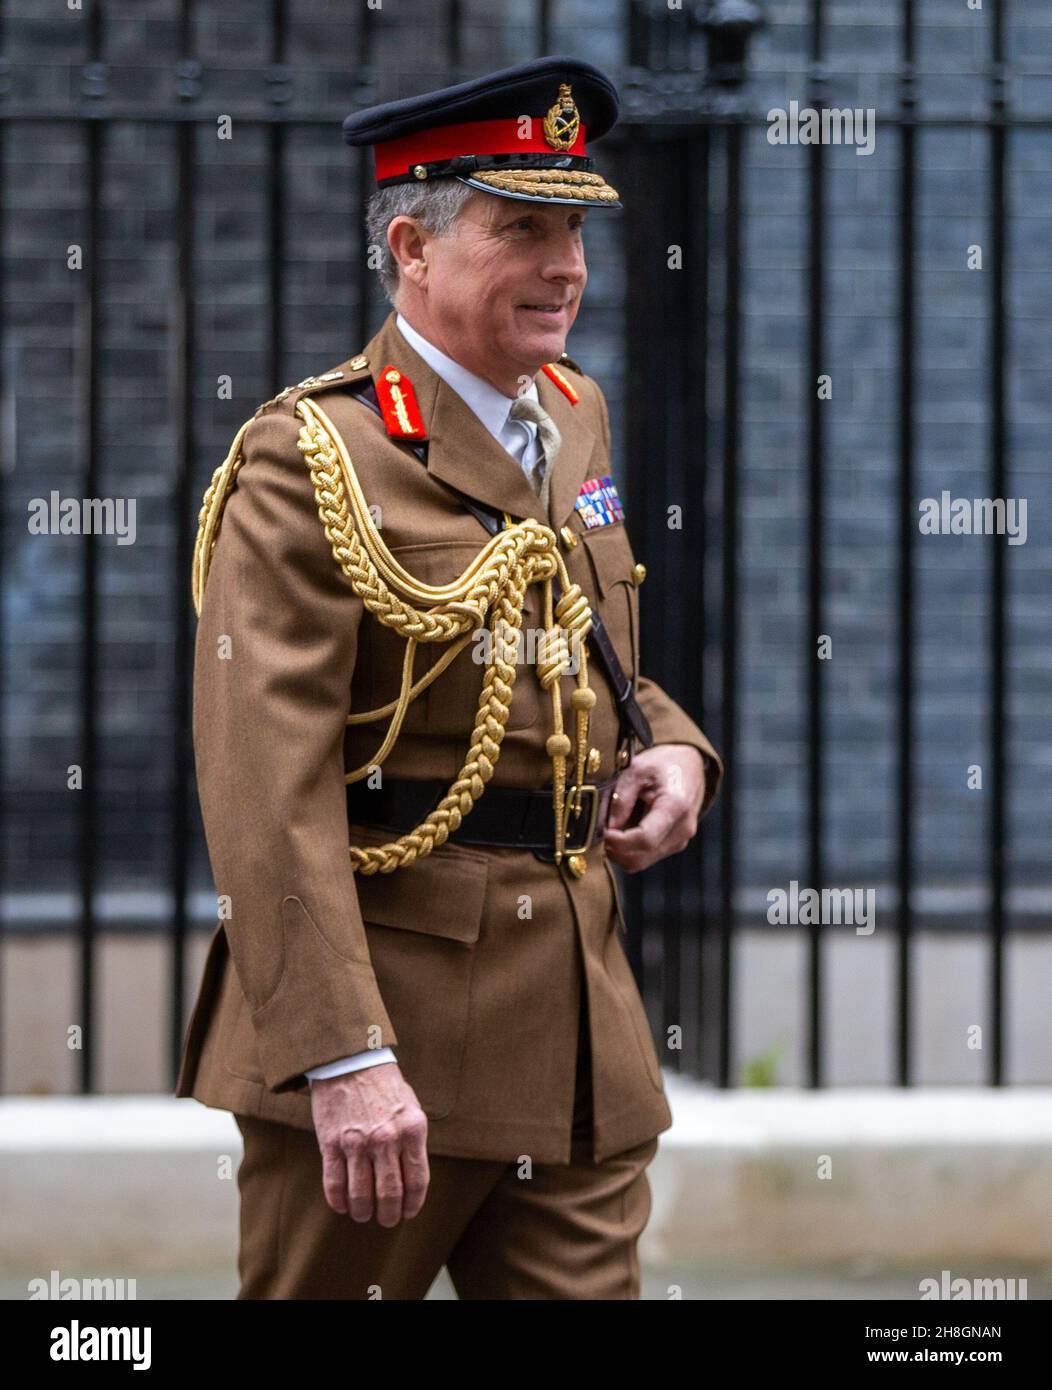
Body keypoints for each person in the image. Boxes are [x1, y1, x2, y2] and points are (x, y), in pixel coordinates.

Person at [176, 54, 724, 1300]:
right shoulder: (311, 455)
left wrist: (671, 743)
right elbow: (266, 784)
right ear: (413, 246)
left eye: (574, 228)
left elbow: (575, 634)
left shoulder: (571, 409)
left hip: (574, 1017)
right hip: (392, 1035)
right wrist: (340, 1057)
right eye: (521, 229)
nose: (565, 266)